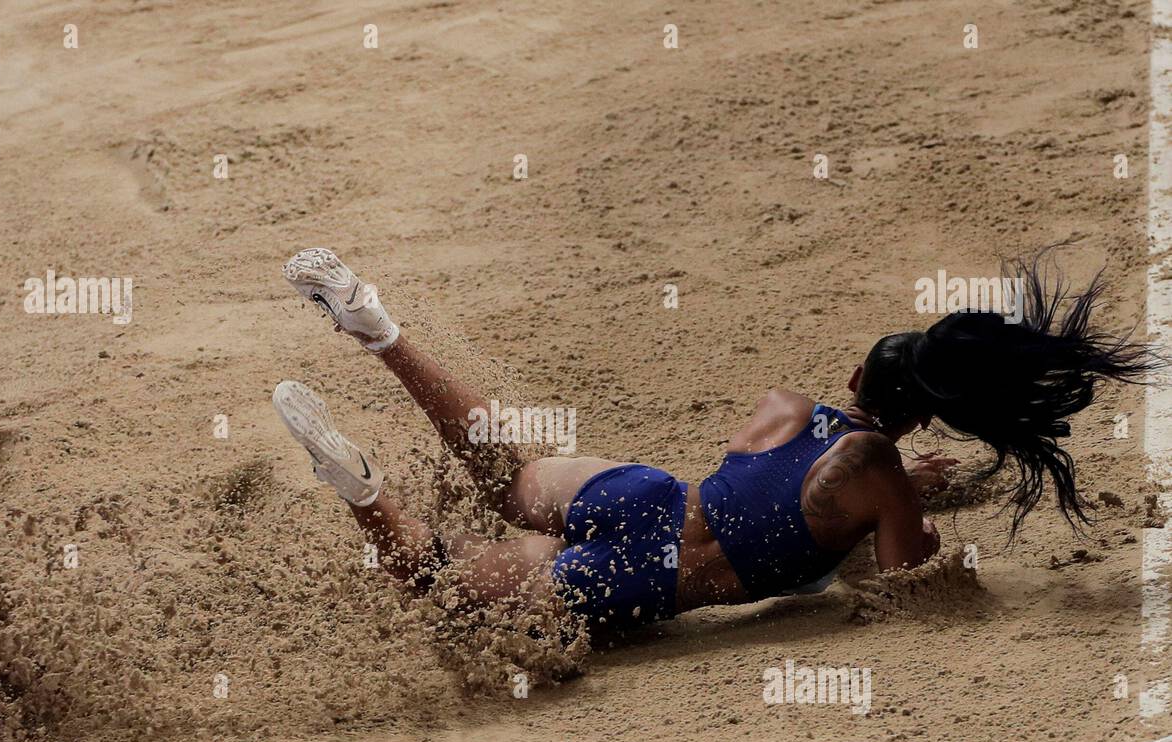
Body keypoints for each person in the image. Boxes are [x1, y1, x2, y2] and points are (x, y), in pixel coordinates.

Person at [273, 248, 1155, 629]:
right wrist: (909, 509)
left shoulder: (787, 405)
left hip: (643, 492)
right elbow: (904, 582)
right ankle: (359, 486)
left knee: (505, 472)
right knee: (436, 580)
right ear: (929, 416)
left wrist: (874, 498)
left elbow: (786, 496)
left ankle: (378, 327)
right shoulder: (878, 465)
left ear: (853, 382)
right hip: (650, 575)